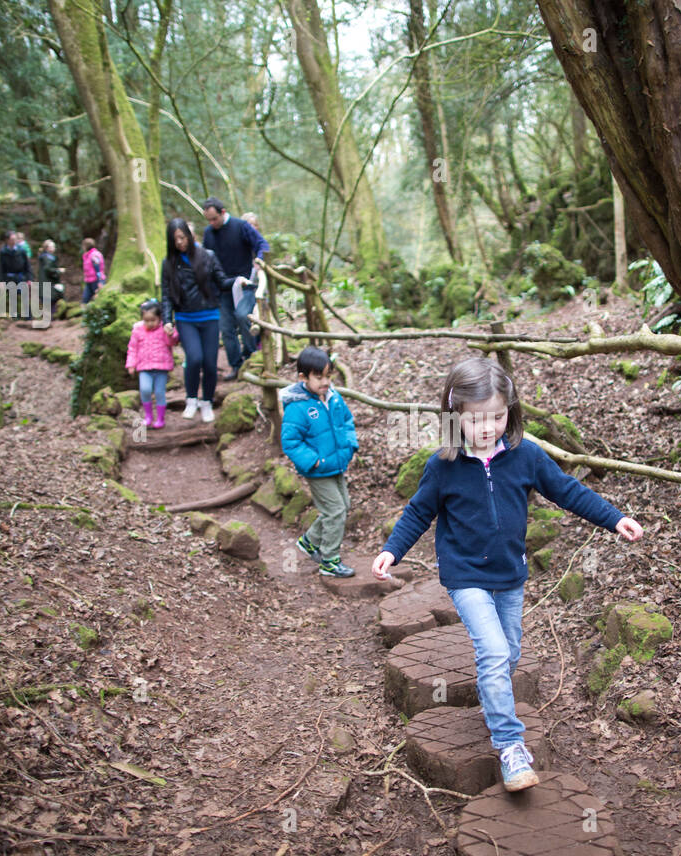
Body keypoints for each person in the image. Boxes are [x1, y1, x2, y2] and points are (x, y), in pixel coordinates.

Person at [372, 357, 644, 791]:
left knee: (510, 653)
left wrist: (613, 518)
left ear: (510, 411)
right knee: (495, 653)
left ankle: (492, 698)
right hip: (465, 577)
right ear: (454, 414)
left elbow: (567, 490)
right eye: (476, 419)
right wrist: (392, 551)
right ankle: (510, 745)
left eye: (497, 416)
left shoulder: (525, 456)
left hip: (510, 576)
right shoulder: (443, 466)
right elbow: (418, 512)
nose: (487, 427)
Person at [281, 346, 358, 578]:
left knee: (342, 506)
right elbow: (290, 442)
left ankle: (309, 542)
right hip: (318, 470)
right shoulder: (298, 407)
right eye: (319, 377)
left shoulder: (333, 398)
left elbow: (347, 421)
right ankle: (330, 561)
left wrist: (350, 445)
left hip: (336, 464)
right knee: (335, 511)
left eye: (328, 376)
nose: (325, 382)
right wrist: (312, 461)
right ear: (303, 377)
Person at [161, 217, 230, 423]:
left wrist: (240, 281)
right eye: (175, 240)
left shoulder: (208, 256)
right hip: (185, 317)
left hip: (209, 315)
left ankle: (206, 402)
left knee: (210, 363)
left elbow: (222, 280)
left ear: (189, 236)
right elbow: (165, 293)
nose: (180, 242)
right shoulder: (169, 263)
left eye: (182, 237)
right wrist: (167, 319)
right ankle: (191, 399)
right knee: (194, 358)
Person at [201, 197, 269, 381]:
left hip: (245, 284)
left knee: (243, 316)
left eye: (214, 219)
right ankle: (236, 366)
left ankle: (251, 355)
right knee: (226, 328)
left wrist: (259, 260)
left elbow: (262, 244)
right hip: (222, 287)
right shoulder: (208, 233)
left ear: (223, 212)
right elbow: (205, 257)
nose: (212, 223)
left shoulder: (241, 226)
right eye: (209, 220)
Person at [126, 299, 179, 430]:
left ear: (159, 317)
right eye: (146, 320)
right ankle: (148, 416)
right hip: (144, 367)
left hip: (161, 368)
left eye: (153, 320)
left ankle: (160, 418)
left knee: (160, 392)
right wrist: (131, 364)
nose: (149, 323)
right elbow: (132, 348)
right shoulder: (137, 330)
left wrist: (171, 333)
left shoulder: (164, 329)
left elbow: (172, 342)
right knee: (145, 390)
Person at [0, 231, 31, 319]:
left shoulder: (21, 250)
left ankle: (28, 317)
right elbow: (1, 267)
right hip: (9, 278)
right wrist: (1, 281)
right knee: (13, 298)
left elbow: (27, 265)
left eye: (15, 239)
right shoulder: (3, 252)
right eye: (12, 239)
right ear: (7, 240)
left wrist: (29, 278)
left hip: (21, 277)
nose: (14, 241)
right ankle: (15, 317)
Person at [81, 238, 106, 303]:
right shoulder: (86, 255)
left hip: (96, 280)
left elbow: (98, 270)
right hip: (89, 280)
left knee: (98, 300)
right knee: (85, 299)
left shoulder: (94, 255)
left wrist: (100, 282)